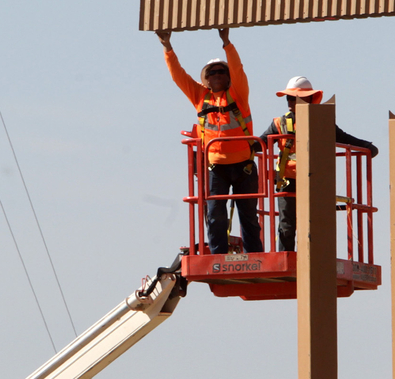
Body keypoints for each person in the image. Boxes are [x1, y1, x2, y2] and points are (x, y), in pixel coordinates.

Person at [156, 27, 264, 254]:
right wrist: (167, 47)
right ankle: (218, 256)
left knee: (249, 216)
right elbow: (178, 75)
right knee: (214, 214)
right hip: (215, 168)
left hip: (243, 165)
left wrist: (227, 43)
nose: (216, 74)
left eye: (221, 71)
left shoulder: (238, 94)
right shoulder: (200, 97)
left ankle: (255, 255)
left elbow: (238, 68)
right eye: (212, 72)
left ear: (228, 77)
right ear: (207, 79)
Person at [261, 76, 378, 253]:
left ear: (308, 99)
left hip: (314, 181)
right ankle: (287, 257)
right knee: (287, 225)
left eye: (294, 98)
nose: (290, 103)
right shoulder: (280, 123)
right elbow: (258, 144)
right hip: (288, 181)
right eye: (289, 98)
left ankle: (315, 260)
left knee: (314, 225)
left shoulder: (321, 122)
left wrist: (367, 147)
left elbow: (343, 137)